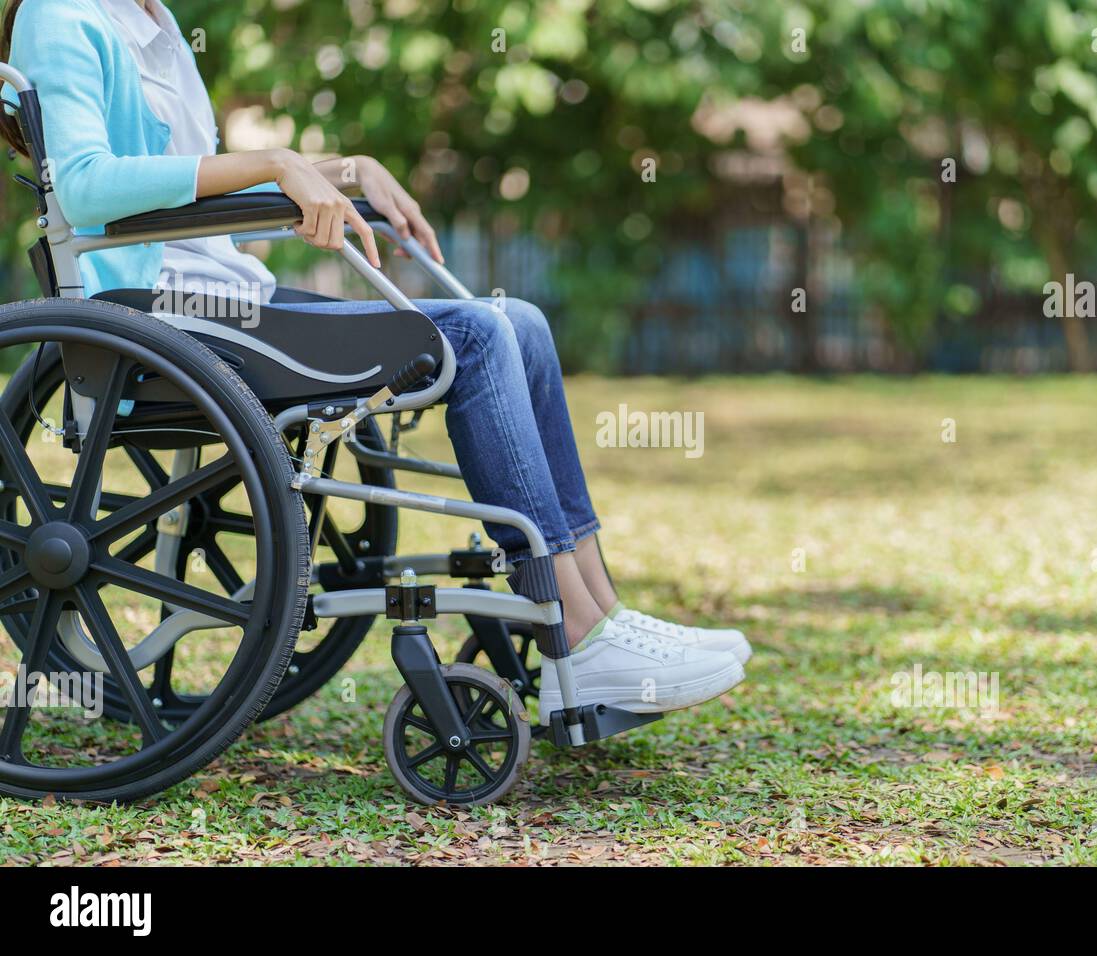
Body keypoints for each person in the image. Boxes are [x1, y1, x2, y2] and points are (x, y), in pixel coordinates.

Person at [0, 0, 751, 720]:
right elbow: (87, 187)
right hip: (162, 309)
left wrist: (344, 168)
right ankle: (575, 636)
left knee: (516, 321)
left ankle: (596, 613)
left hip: (223, 296)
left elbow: (188, 178)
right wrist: (277, 160)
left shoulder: (153, 21)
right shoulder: (62, 11)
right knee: (478, 336)